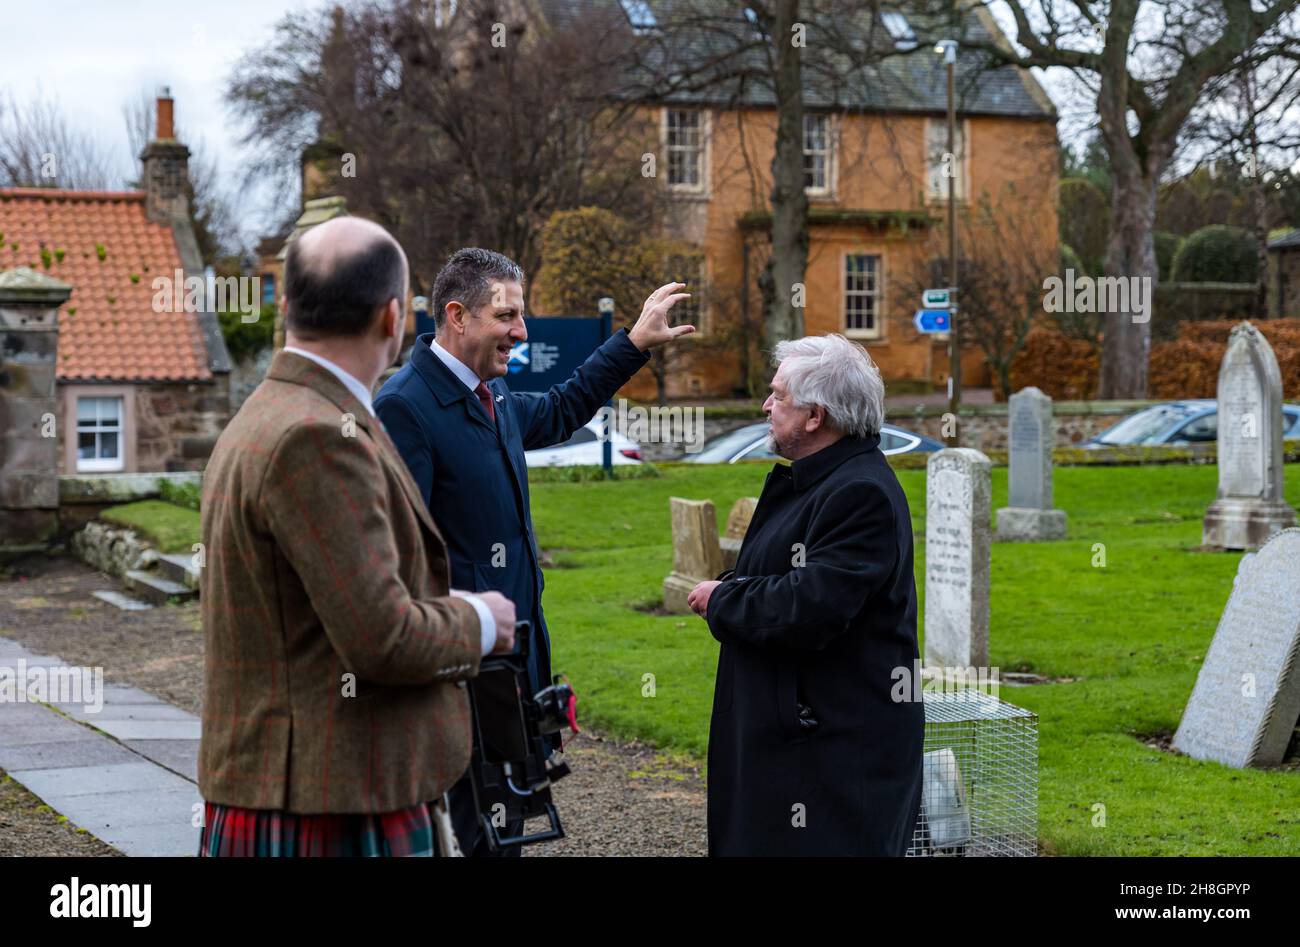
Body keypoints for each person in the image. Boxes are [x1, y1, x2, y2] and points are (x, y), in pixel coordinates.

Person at [197, 217, 517, 857]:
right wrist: (483, 619)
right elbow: (382, 637)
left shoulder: (272, 413)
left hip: (295, 792)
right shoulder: (316, 436)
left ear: (286, 306)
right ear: (393, 318)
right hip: (328, 799)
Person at [375, 247, 692, 854]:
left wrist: (635, 341)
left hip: (513, 671)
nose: (521, 331)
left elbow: (566, 406)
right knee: (474, 842)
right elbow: (402, 558)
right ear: (458, 315)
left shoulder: (494, 402)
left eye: (522, 317)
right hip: (460, 681)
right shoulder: (405, 406)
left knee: (507, 834)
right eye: (508, 316)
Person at [687, 334, 924, 856]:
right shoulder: (823, 482)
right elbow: (782, 574)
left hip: (831, 761)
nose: (767, 406)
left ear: (815, 416)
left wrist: (721, 600)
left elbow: (808, 607)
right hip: (797, 747)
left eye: (778, 396)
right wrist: (734, 586)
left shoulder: (858, 492)